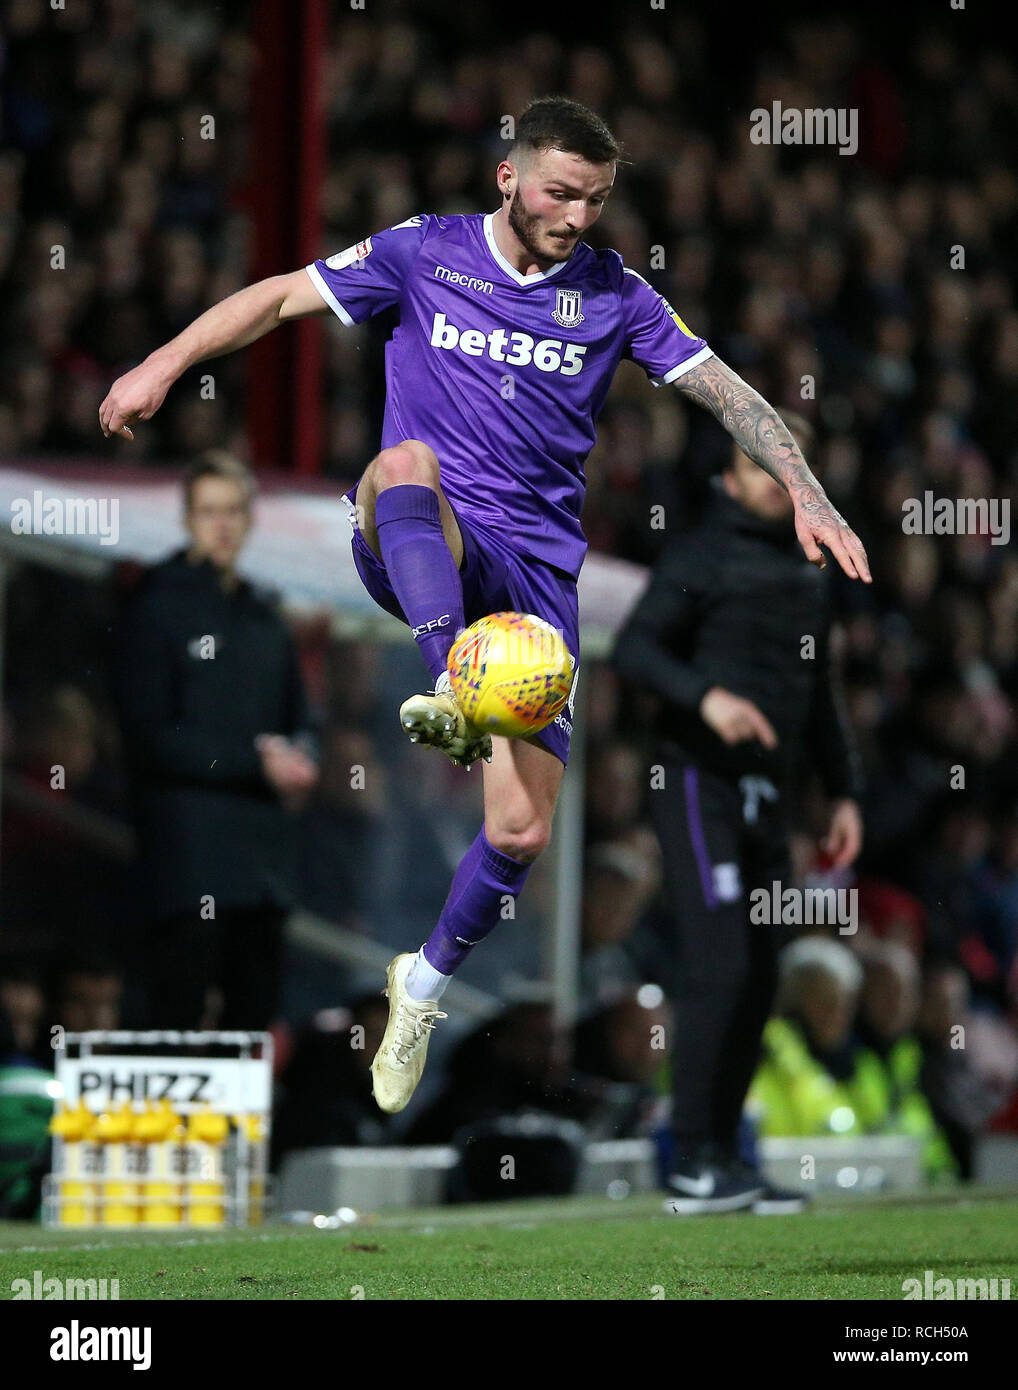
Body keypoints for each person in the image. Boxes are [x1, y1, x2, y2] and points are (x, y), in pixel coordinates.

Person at [99, 97, 870, 1114]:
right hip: (424, 534)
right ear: (508, 177)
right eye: (559, 192)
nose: (576, 216)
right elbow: (284, 296)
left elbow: (729, 392)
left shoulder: (615, 295)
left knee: (516, 832)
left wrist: (807, 489)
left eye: (594, 199)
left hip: (535, 581)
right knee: (401, 460)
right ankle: (448, 687)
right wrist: (163, 363)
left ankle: (419, 984)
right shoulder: (423, 252)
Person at [612, 414, 865, 1213]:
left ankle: (723, 1156)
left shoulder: (808, 565)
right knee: (719, 959)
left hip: (770, 797)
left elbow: (818, 694)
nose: (771, 479)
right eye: (759, 465)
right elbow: (635, 649)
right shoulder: (700, 551)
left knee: (760, 972)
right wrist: (706, 698)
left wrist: (844, 789)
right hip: (697, 781)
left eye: (785, 466)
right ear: (731, 475)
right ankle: (686, 1158)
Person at [115, 451, 319, 1029]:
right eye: (208, 512)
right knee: (174, 1026)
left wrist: (303, 758)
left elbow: (300, 719)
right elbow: (150, 736)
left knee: (252, 1033)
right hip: (187, 868)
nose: (221, 525)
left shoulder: (264, 617)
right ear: (187, 520)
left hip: (262, 874)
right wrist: (256, 763)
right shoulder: (156, 609)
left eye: (232, 511)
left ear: (250, 519)